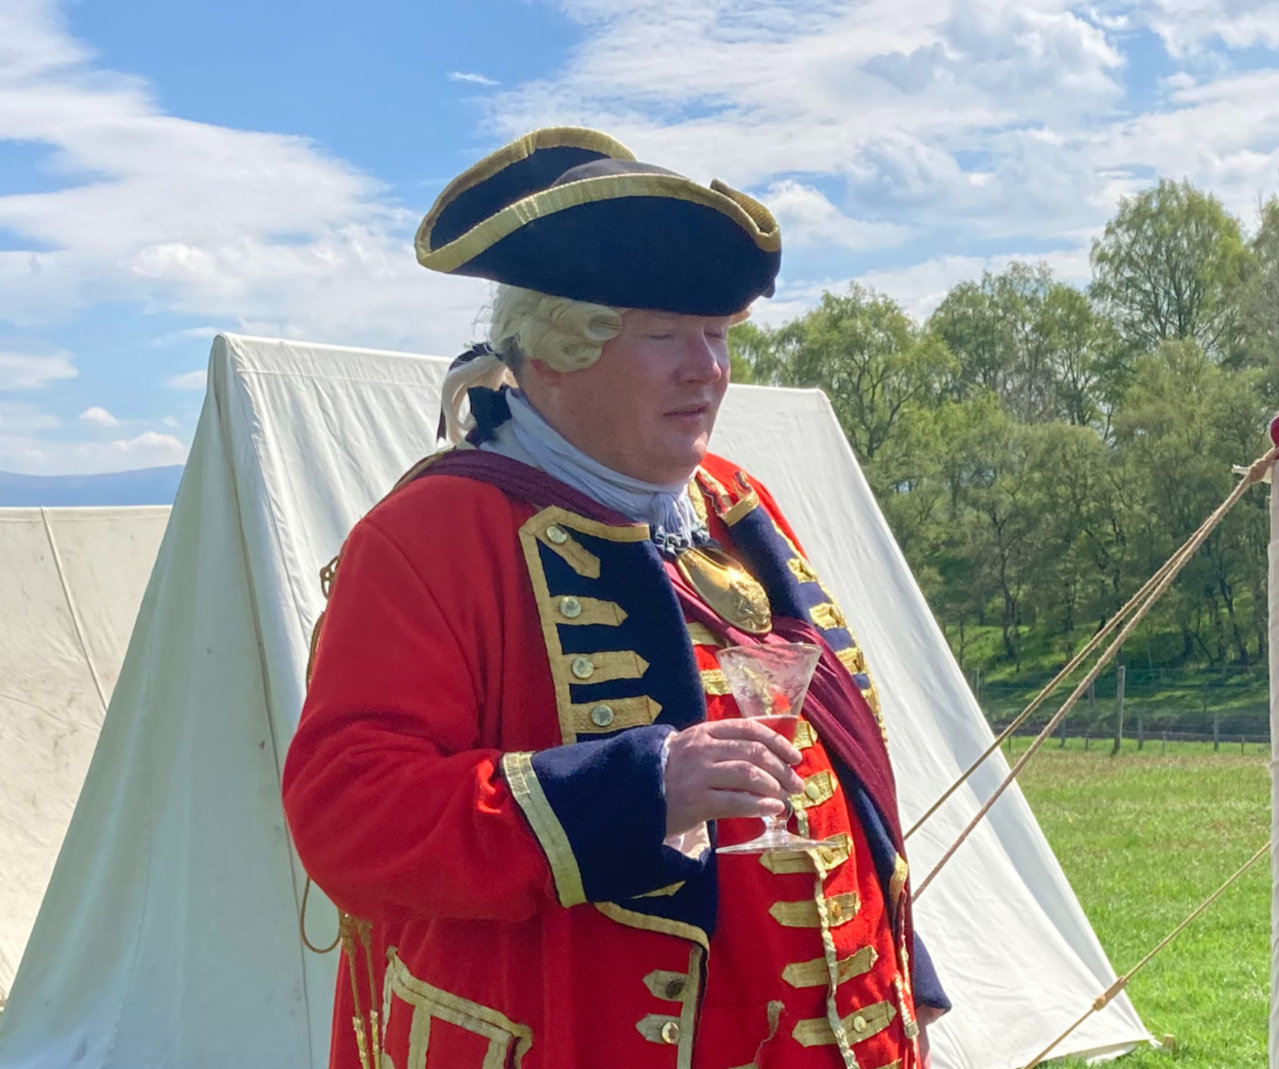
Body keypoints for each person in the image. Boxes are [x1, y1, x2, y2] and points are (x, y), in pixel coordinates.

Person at [282, 126, 949, 1069]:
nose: (706, 368)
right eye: (664, 335)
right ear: (556, 351)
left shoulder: (734, 503)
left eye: (717, 334)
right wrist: (635, 790)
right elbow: (349, 816)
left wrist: (898, 974)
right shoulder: (433, 534)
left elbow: (843, 764)